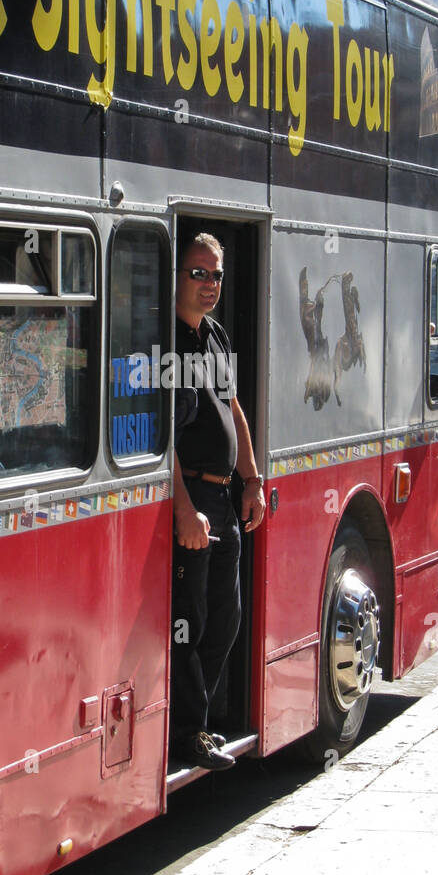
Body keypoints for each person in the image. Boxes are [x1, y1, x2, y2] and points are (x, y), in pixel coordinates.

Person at [171, 233, 264, 770]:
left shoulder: (216, 336)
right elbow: (157, 436)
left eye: (217, 275)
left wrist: (251, 480)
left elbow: (233, 409)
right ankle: (187, 733)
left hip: (224, 498)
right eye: (198, 273)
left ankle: (197, 721)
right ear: (177, 275)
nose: (210, 285)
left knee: (226, 621)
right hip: (187, 497)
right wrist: (183, 509)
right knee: (189, 622)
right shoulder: (163, 341)